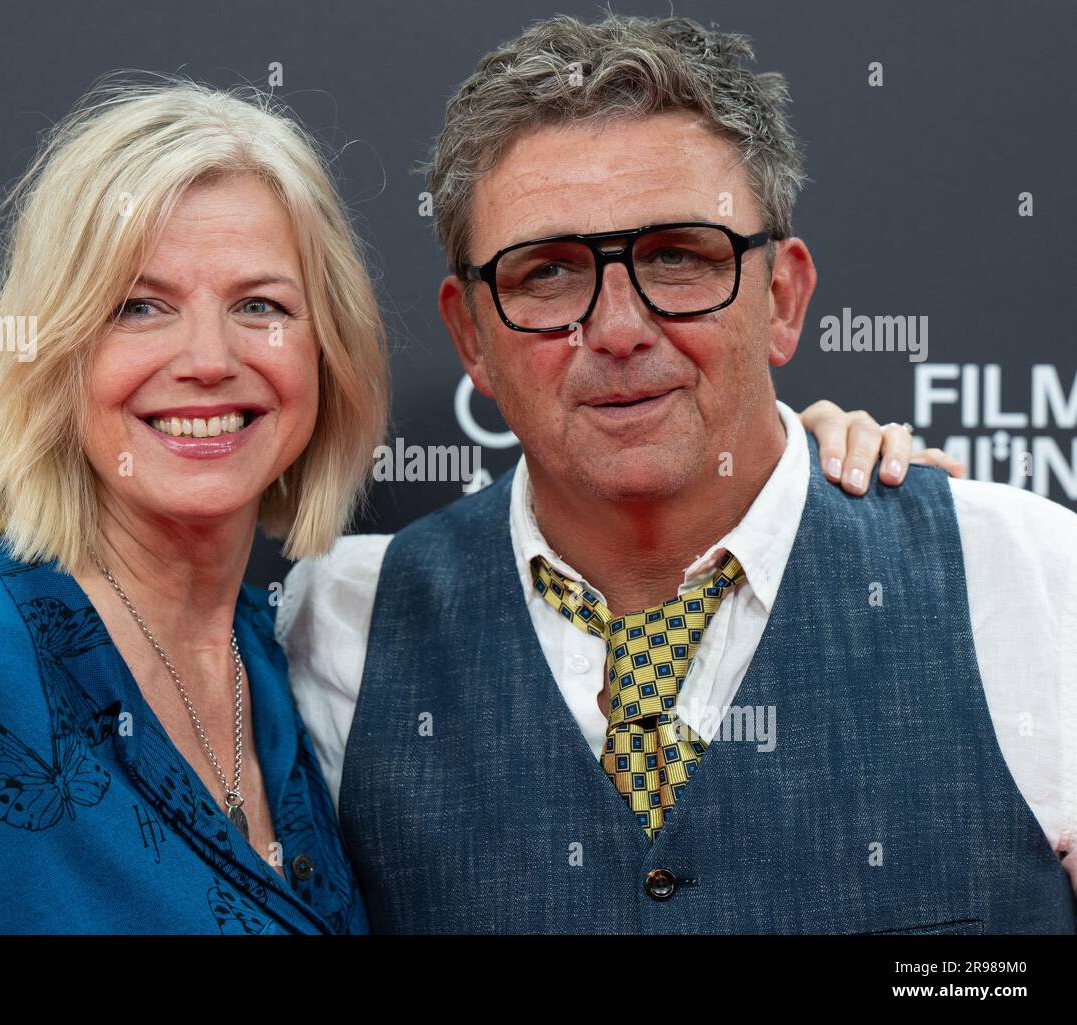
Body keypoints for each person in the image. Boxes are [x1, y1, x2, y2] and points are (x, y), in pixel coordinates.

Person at [280, 14, 1077, 933]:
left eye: (677, 257)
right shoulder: (340, 627)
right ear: (473, 338)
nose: (618, 329)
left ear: (782, 299)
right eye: (550, 272)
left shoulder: (1027, 579)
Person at [0, 76, 386, 934]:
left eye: (261, 305)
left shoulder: (280, 653)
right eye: (141, 306)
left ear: (328, 349)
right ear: (57, 352)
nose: (209, 358)